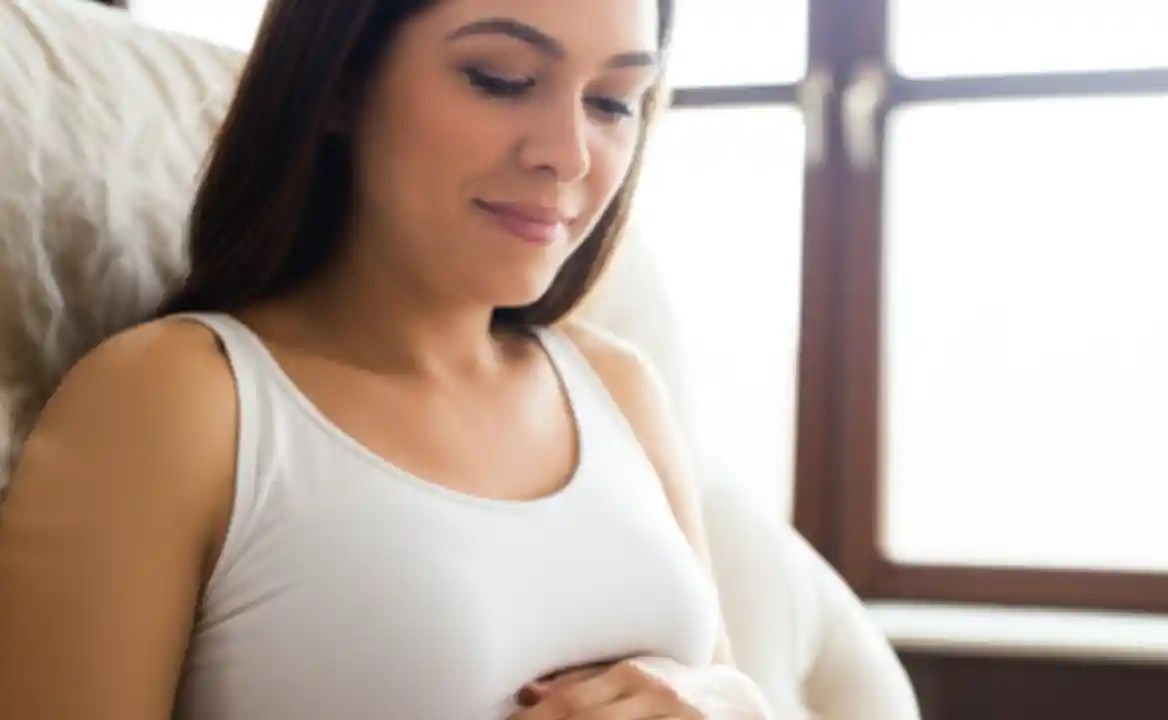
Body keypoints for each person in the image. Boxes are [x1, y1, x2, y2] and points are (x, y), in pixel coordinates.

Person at [0, 0, 773, 718]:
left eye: (612, 102)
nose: (568, 155)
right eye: (500, 79)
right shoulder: (175, 399)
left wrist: (724, 701)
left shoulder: (618, 388)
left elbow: (726, 684)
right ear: (340, 81)